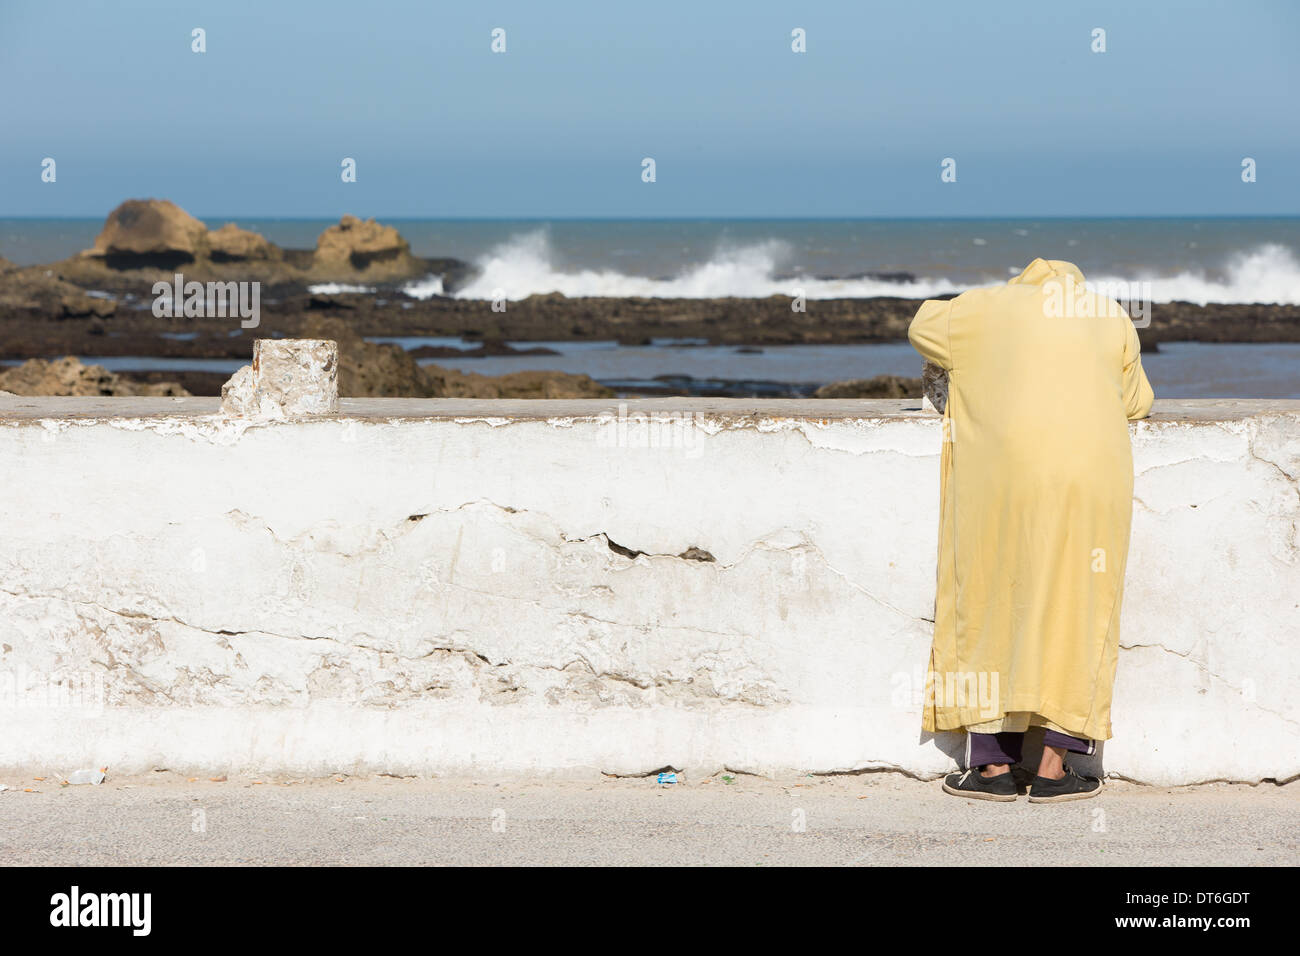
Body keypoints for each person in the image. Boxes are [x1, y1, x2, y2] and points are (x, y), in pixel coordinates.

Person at [908, 258, 1154, 803]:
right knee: (1079, 611)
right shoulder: (1108, 314)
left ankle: (991, 770)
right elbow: (1138, 402)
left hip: (998, 485)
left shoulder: (978, 308)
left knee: (987, 603)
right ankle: (1051, 768)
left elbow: (921, 325)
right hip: (1089, 486)